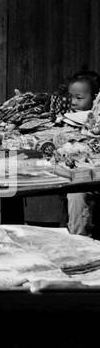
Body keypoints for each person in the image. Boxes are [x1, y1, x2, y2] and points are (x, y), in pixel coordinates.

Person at [64, 69, 100, 237]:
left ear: (95, 98)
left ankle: (78, 239)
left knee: (77, 192)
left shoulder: (95, 118)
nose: (73, 102)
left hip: (93, 172)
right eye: (71, 97)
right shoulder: (72, 118)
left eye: (79, 98)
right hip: (81, 166)